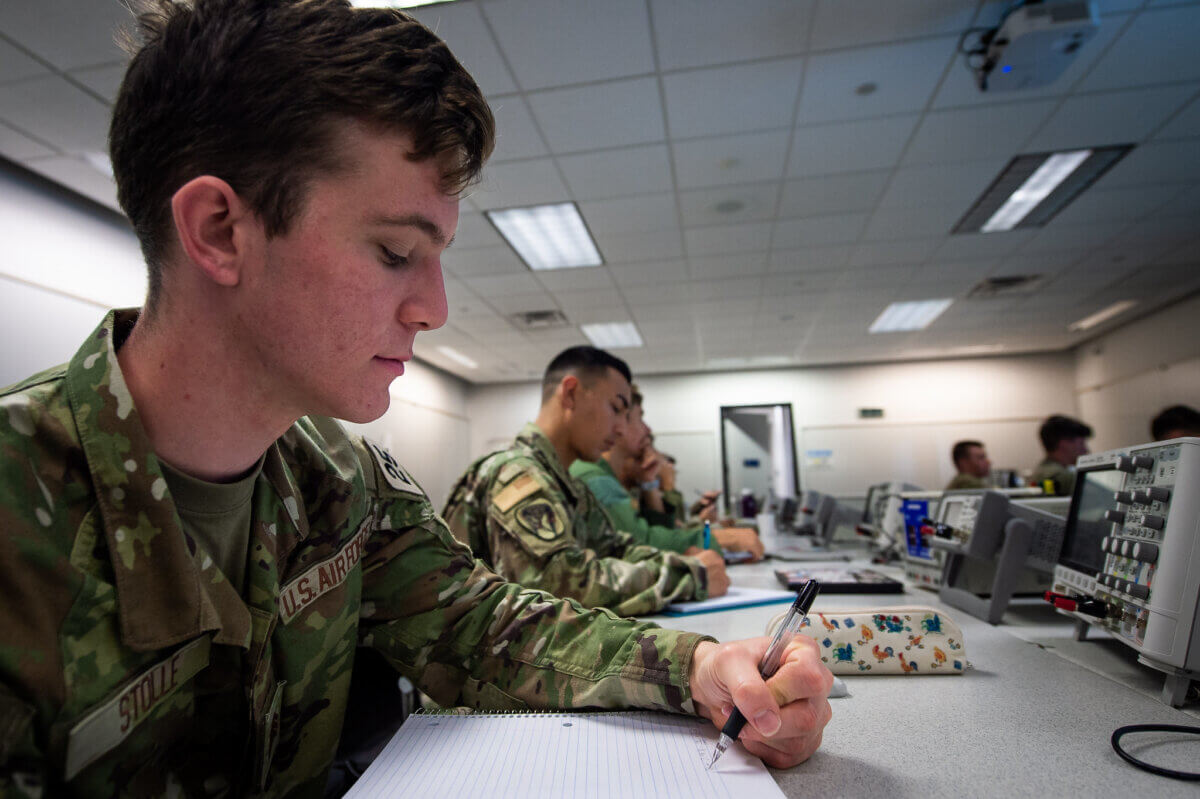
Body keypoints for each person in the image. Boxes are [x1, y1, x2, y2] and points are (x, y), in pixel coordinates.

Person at [0, 2, 832, 794]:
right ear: (220, 229)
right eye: (396, 250)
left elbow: (483, 627)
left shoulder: (339, 481)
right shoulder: (15, 508)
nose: (432, 308)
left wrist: (695, 667)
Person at [442, 348, 730, 615]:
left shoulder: (567, 484)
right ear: (570, 394)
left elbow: (615, 548)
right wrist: (688, 576)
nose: (620, 428)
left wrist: (678, 562)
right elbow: (557, 584)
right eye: (616, 408)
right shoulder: (517, 474)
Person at [571, 390, 764, 561]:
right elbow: (640, 542)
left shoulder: (601, 475)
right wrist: (718, 538)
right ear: (619, 422)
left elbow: (661, 530)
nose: (647, 429)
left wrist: (649, 485)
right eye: (640, 418)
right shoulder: (597, 479)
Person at [1030, 415, 1093, 496]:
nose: (1086, 450)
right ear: (1064, 444)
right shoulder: (1063, 478)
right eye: (1081, 444)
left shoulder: (1042, 471)